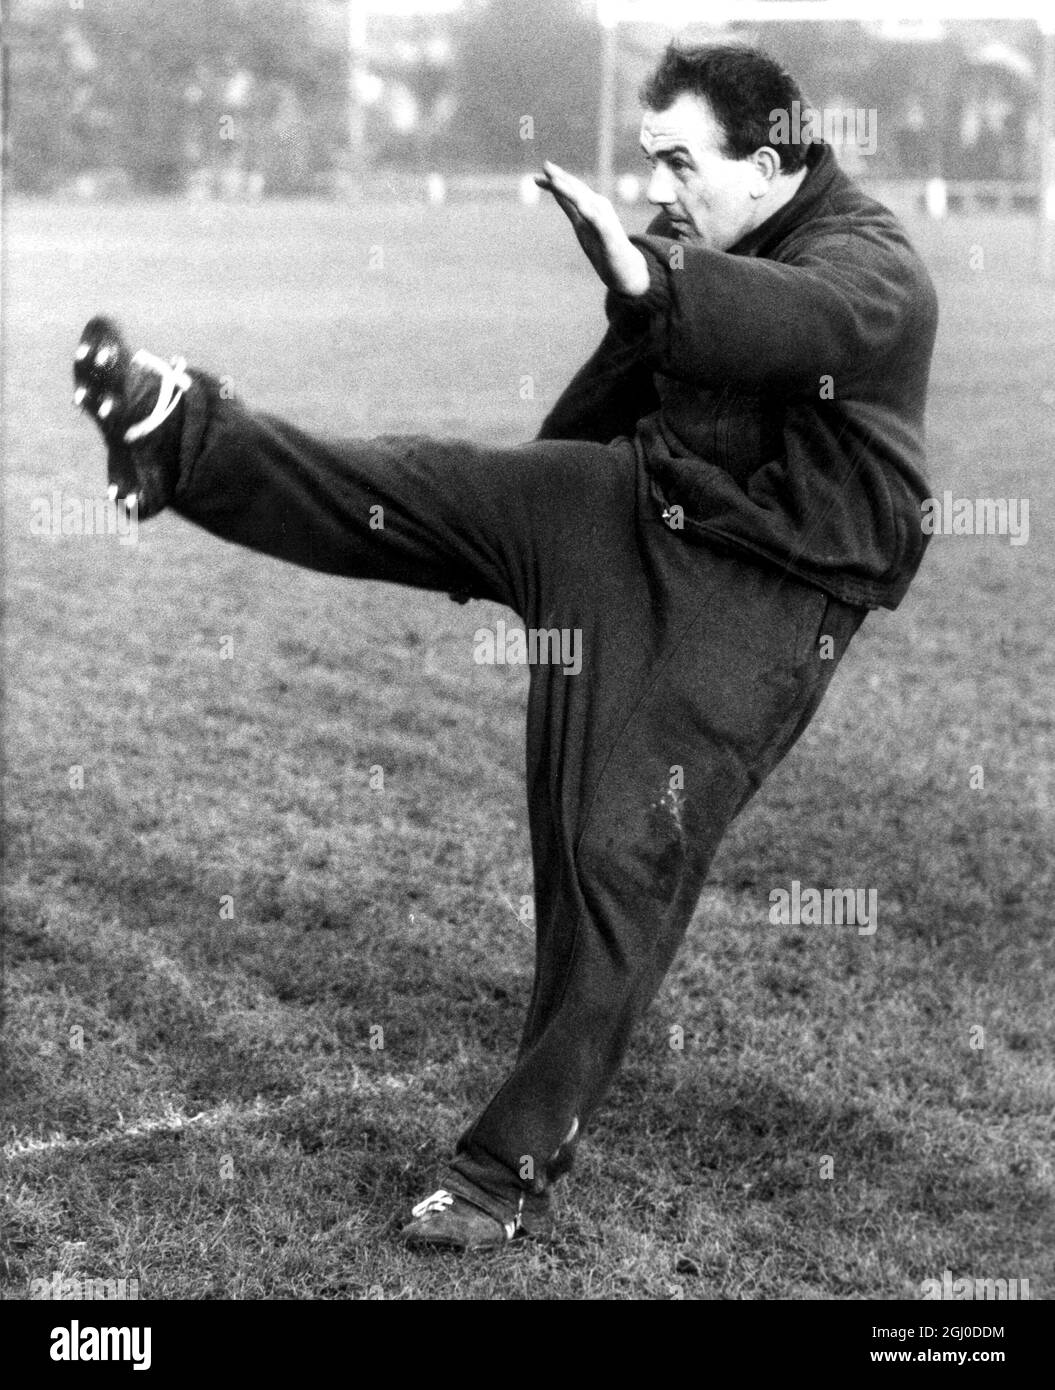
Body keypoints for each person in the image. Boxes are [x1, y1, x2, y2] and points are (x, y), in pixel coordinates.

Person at [72, 43, 938, 1251]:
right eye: (654, 163)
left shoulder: (868, 262)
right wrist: (495, 533)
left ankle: (505, 1170)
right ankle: (184, 438)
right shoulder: (688, 243)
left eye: (684, 163)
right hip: (643, 509)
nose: (664, 186)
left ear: (772, 161)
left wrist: (655, 278)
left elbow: (811, 319)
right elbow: (604, 394)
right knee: (426, 483)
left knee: (611, 855)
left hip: (765, 601)